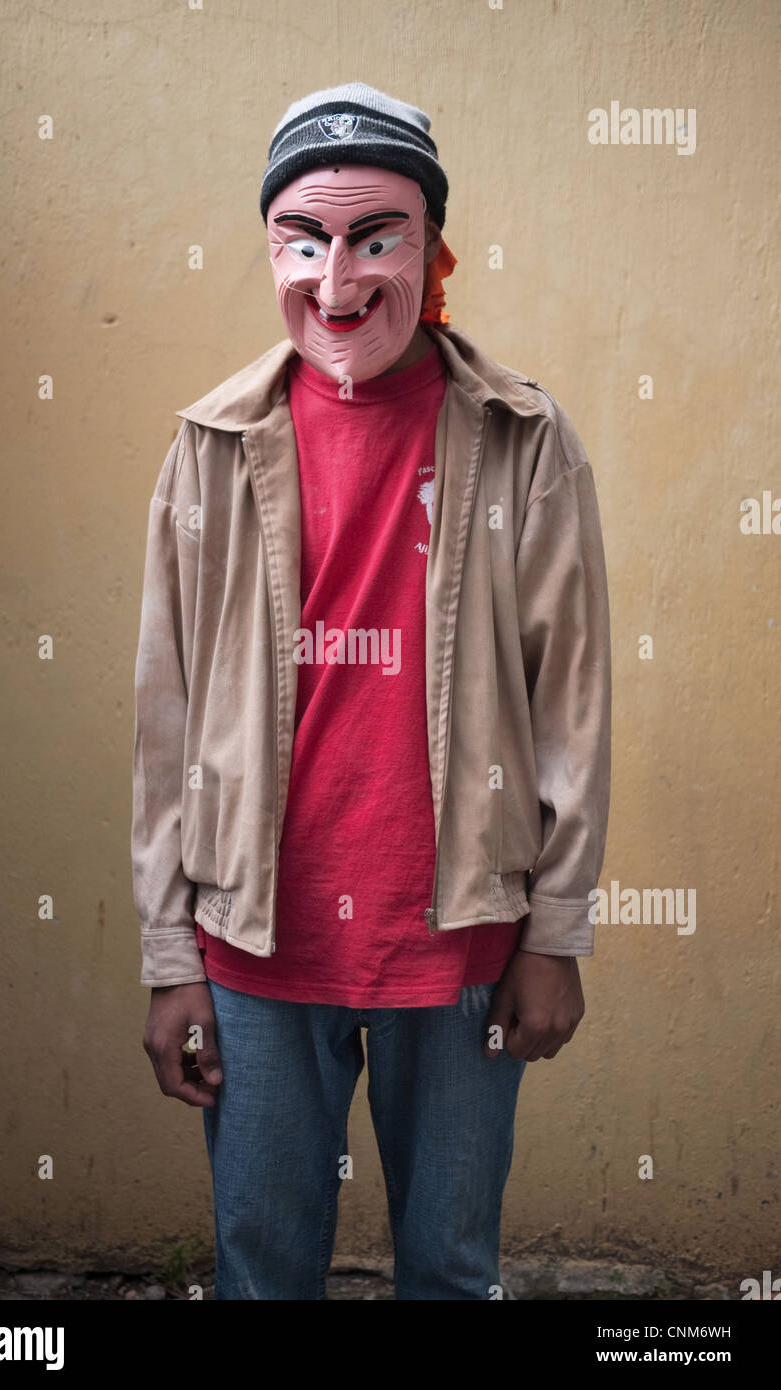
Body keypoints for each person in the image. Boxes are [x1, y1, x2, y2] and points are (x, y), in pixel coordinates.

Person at [132, 82, 611, 1301]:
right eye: (305, 240)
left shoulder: (522, 437)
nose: (336, 279)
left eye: (374, 238)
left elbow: (572, 705)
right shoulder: (211, 444)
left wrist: (552, 934)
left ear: (431, 248)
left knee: (450, 1269)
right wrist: (166, 950)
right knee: (261, 1267)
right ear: (274, 250)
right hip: (252, 944)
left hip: (456, 945)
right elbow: (166, 714)